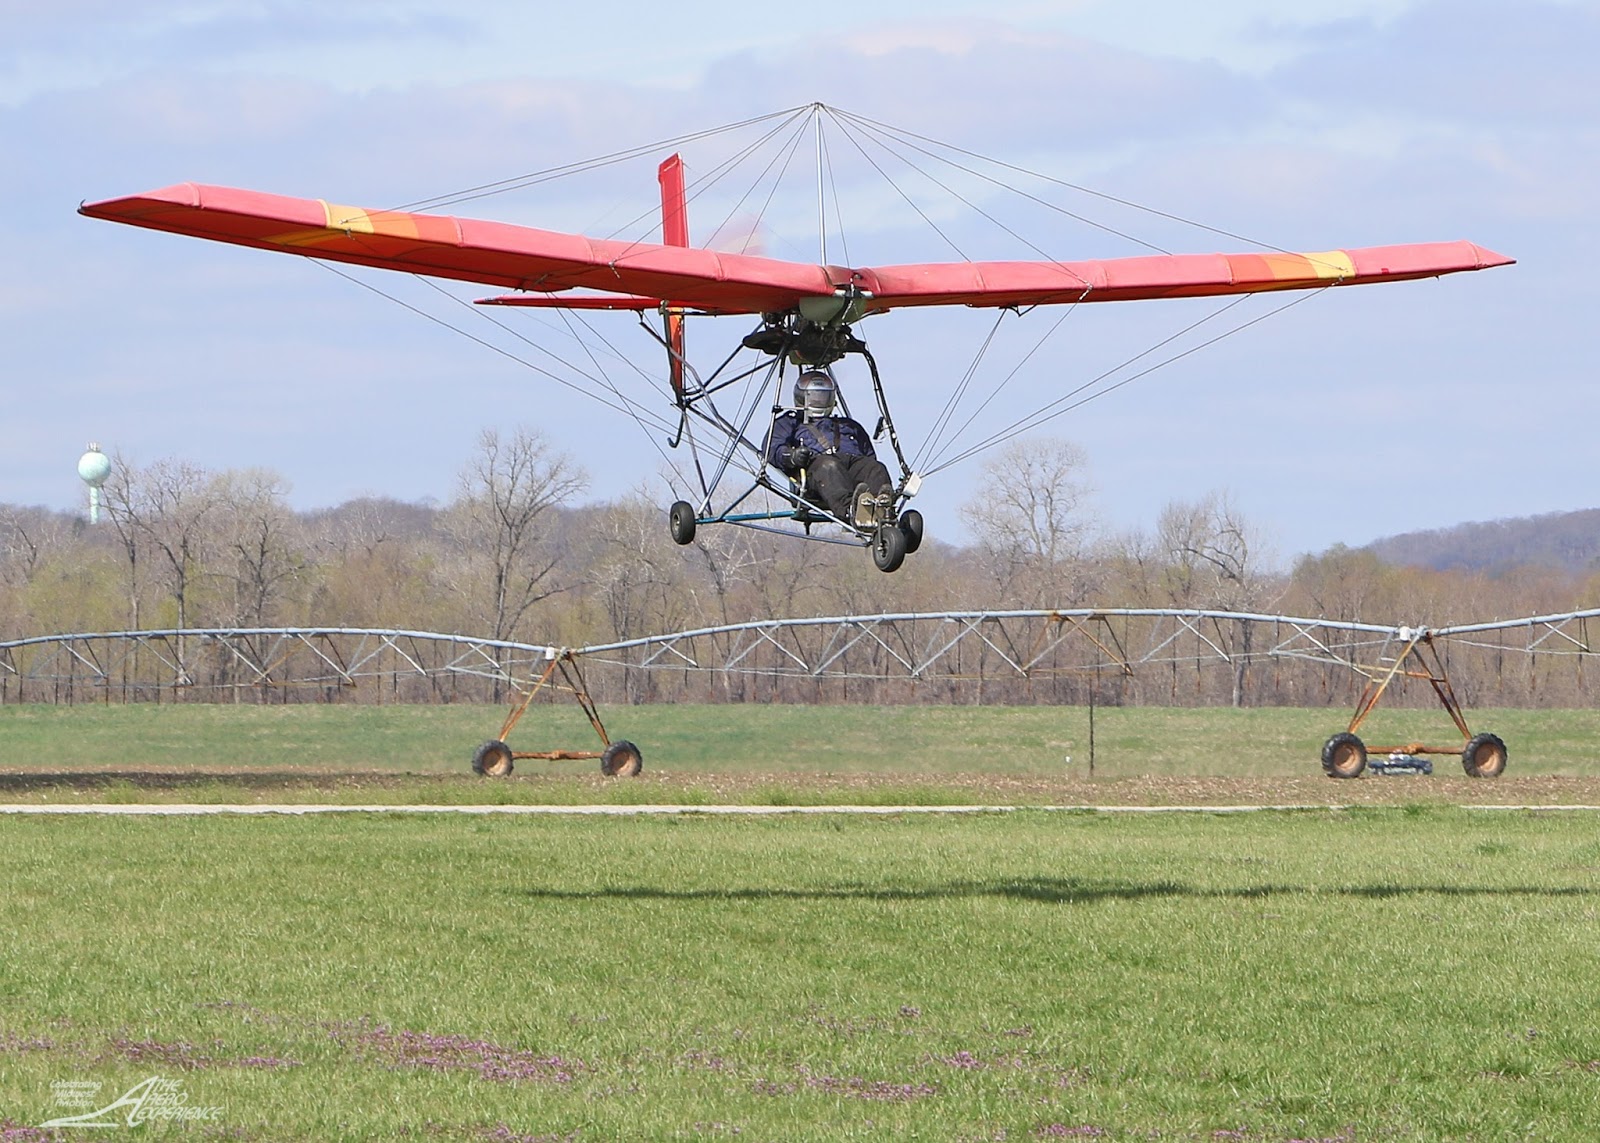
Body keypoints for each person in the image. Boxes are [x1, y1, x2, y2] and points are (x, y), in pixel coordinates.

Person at [767, 370, 894, 528]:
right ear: (802, 398)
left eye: (823, 396)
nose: (819, 401)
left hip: (849, 466)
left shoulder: (848, 425)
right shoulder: (789, 422)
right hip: (815, 470)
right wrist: (792, 456)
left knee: (875, 468)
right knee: (830, 466)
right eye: (814, 397)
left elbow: (868, 455)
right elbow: (772, 449)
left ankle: (881, 508)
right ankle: (850, 510)